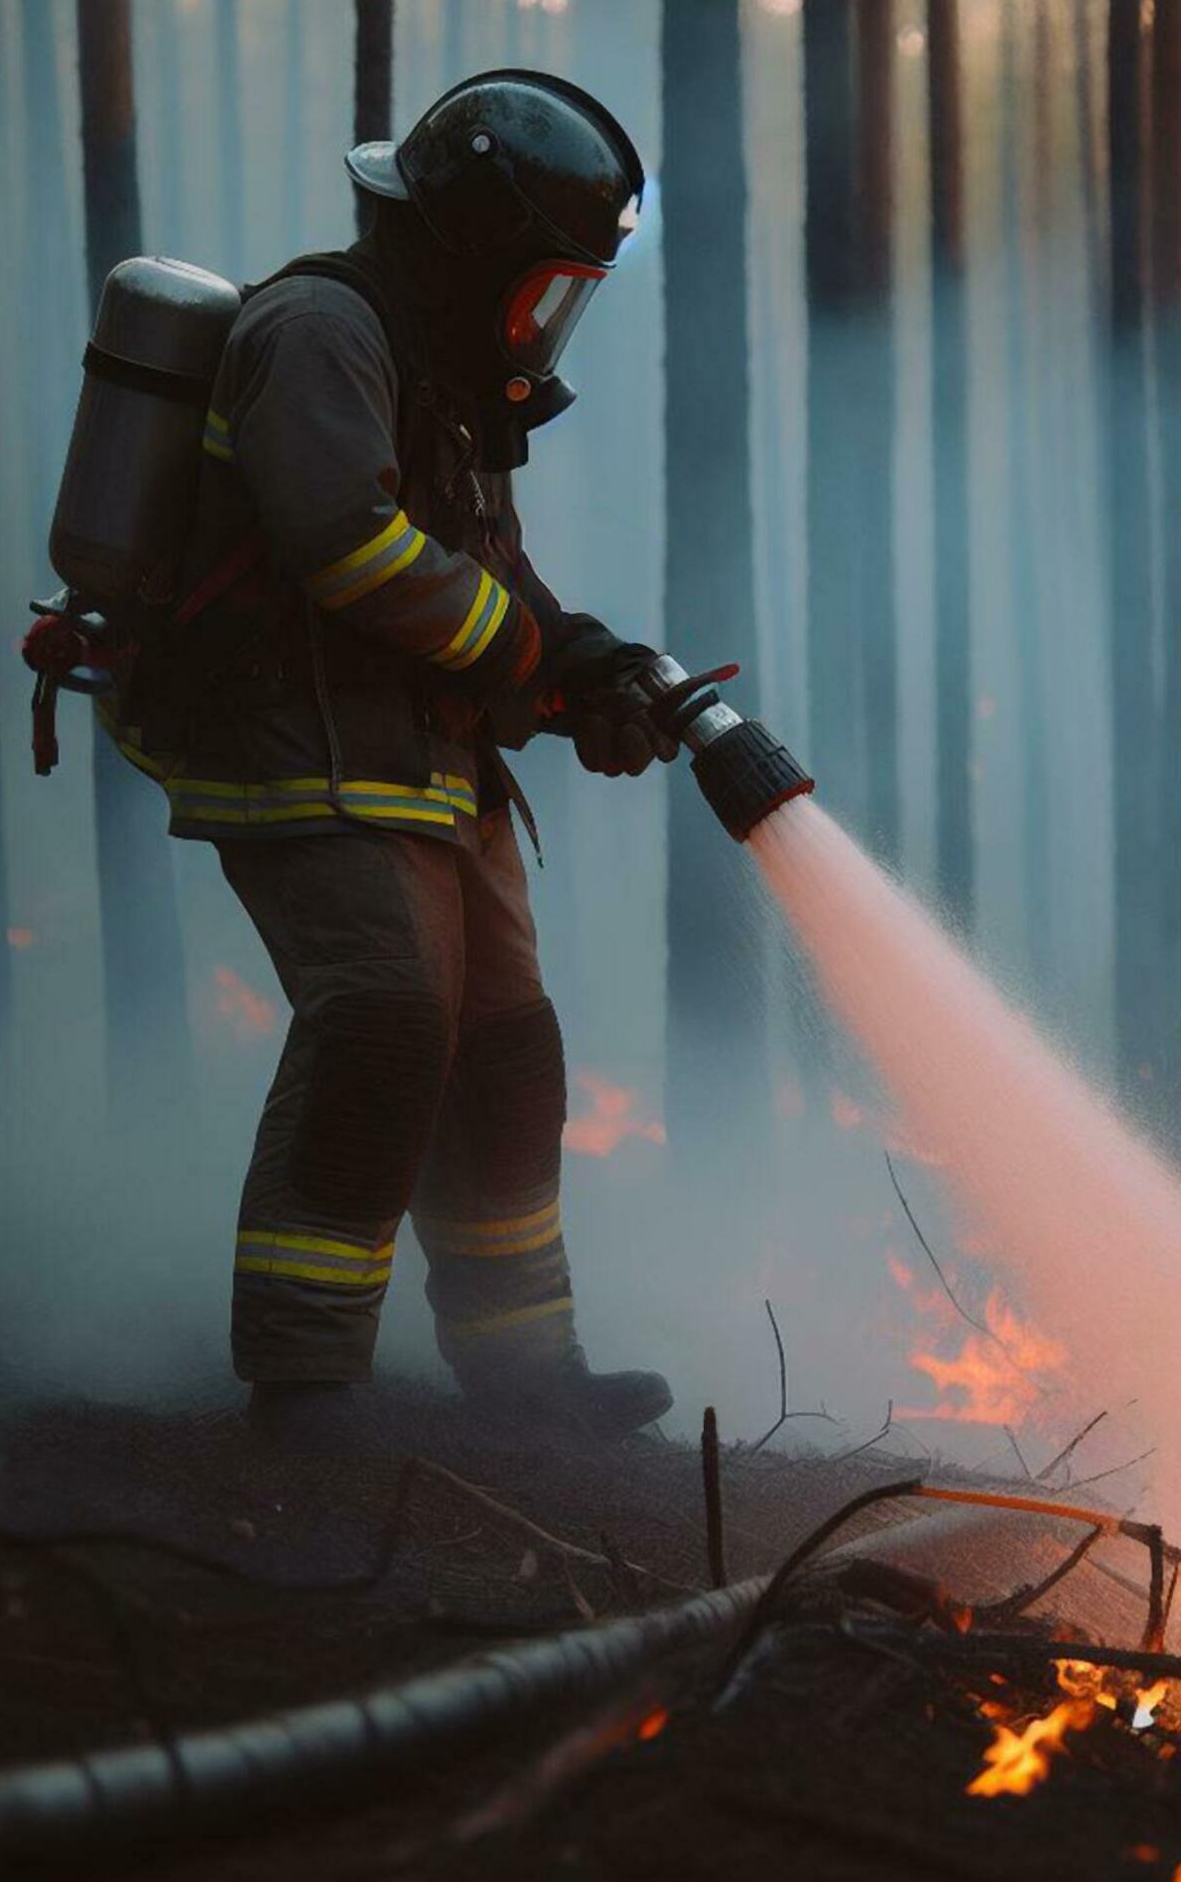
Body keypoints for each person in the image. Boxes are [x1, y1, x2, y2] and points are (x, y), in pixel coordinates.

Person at [107, 70, 678, 1449]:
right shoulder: (320, 331)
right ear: (479, 241)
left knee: (506, 1051)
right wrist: (535, 666)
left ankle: (525, 1371)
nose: (546, 321)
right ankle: (304, 1382)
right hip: (296, 746)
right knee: (383, 1026)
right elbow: (348, 545)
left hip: (422, 761)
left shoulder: (445, 372)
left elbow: (483, 567)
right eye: (542, 283)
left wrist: (587, 656)